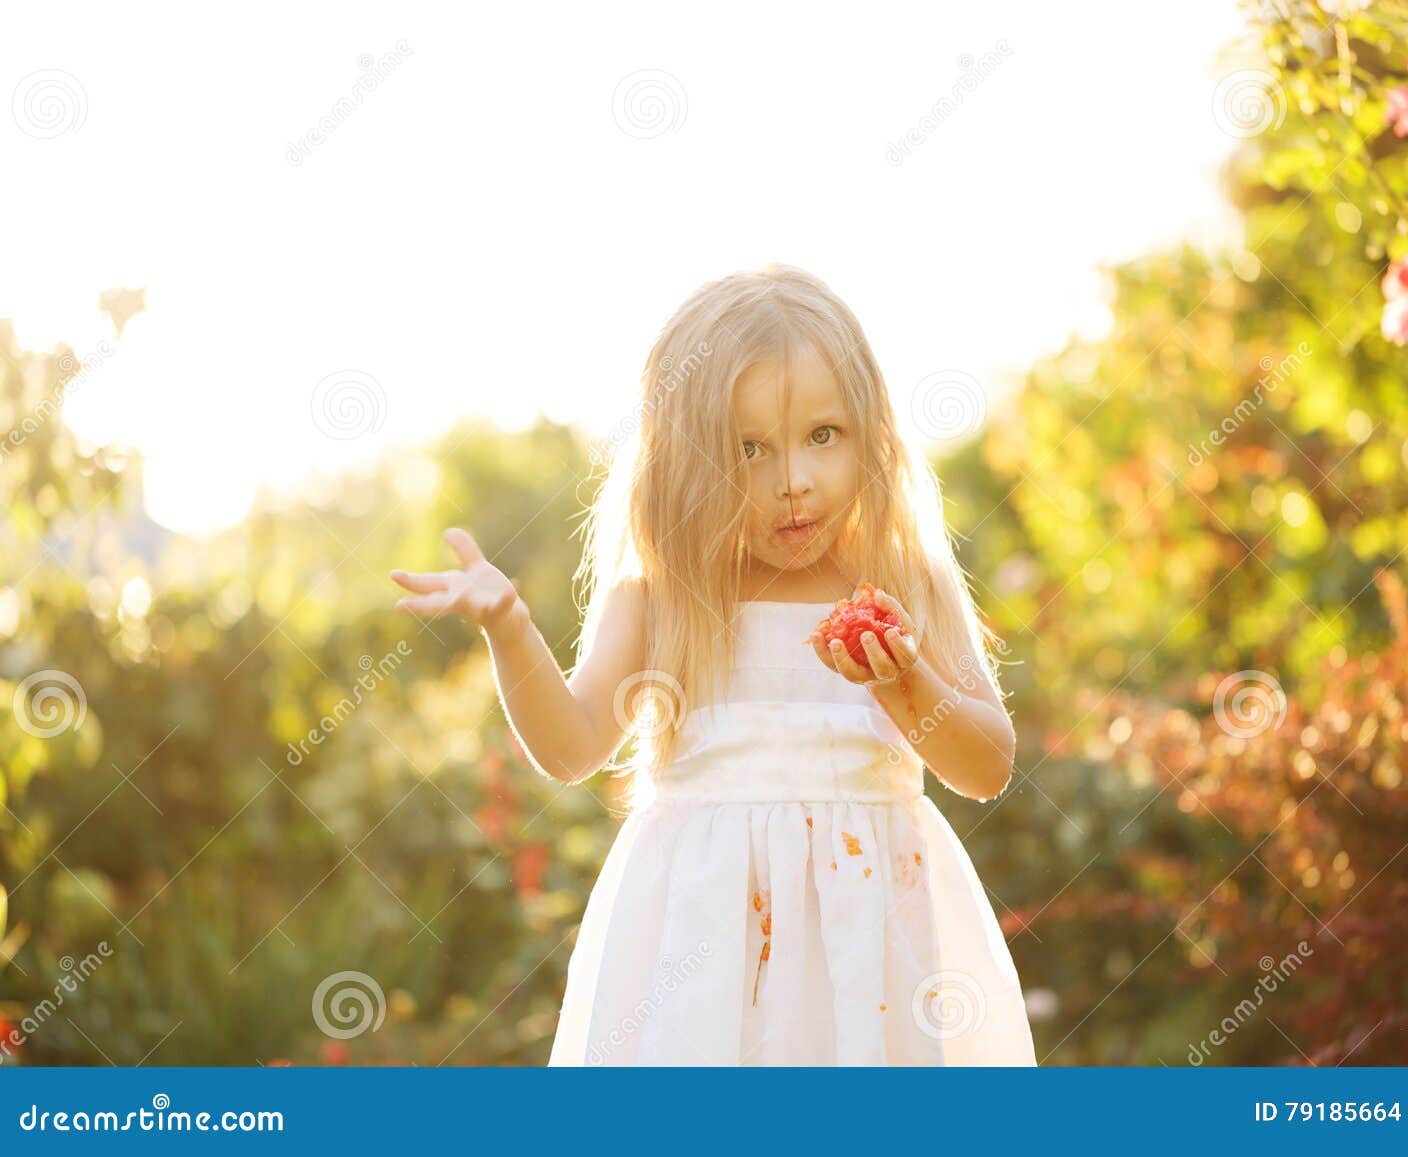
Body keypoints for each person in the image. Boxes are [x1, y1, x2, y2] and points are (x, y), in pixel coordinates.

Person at [391, 263, 1036, 1065]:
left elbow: (987, 765)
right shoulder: (666, 595)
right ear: (688, 461)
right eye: (749, 449)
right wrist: (510, 627)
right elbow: (570, 747)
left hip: (871, 952)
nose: (793, 481)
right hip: (698, 962)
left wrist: (905, 681)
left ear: (871, 432)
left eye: (823, 436)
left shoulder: (906, 580)